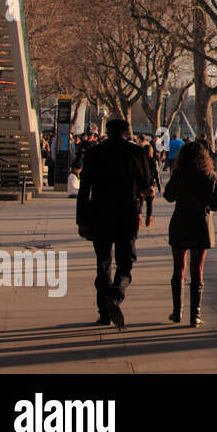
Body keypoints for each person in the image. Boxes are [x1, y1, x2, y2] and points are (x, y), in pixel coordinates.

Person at [76, 119, 152, 329]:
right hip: (126, 213)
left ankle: (104, 313)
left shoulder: (93, 153)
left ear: (107, 132)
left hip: (99, 214)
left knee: (103, 262)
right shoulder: (137, 153)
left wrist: (81, 220)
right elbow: (146, 185)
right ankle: (117, 294)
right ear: (127, 132)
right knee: (126, 259)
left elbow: (84, 191)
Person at [163, 142, 217, 327]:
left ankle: (176, 312)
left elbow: (168, 196)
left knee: (178, 268)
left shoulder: (178, 174)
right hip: (200, 225)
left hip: (180, 223)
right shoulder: (210, 176)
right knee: (197, 270)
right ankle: (195, 316)